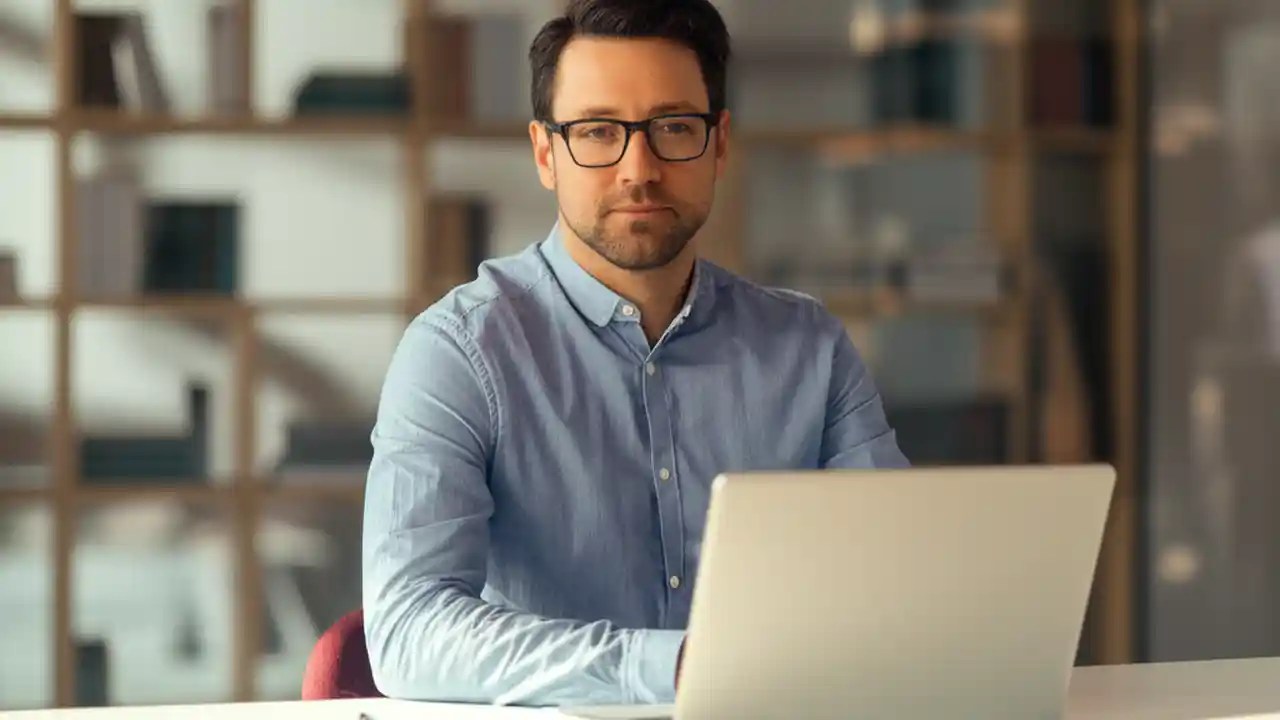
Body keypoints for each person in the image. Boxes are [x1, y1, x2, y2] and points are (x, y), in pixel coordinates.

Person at [362, 0, 909, 707]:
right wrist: (674, 667)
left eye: (674, 128)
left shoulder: (807, 346)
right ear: (544, 152)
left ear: (719, 144)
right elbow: (410, 632)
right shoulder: (459, 353)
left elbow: (898, 579)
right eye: (597, 131)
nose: (638, 168)